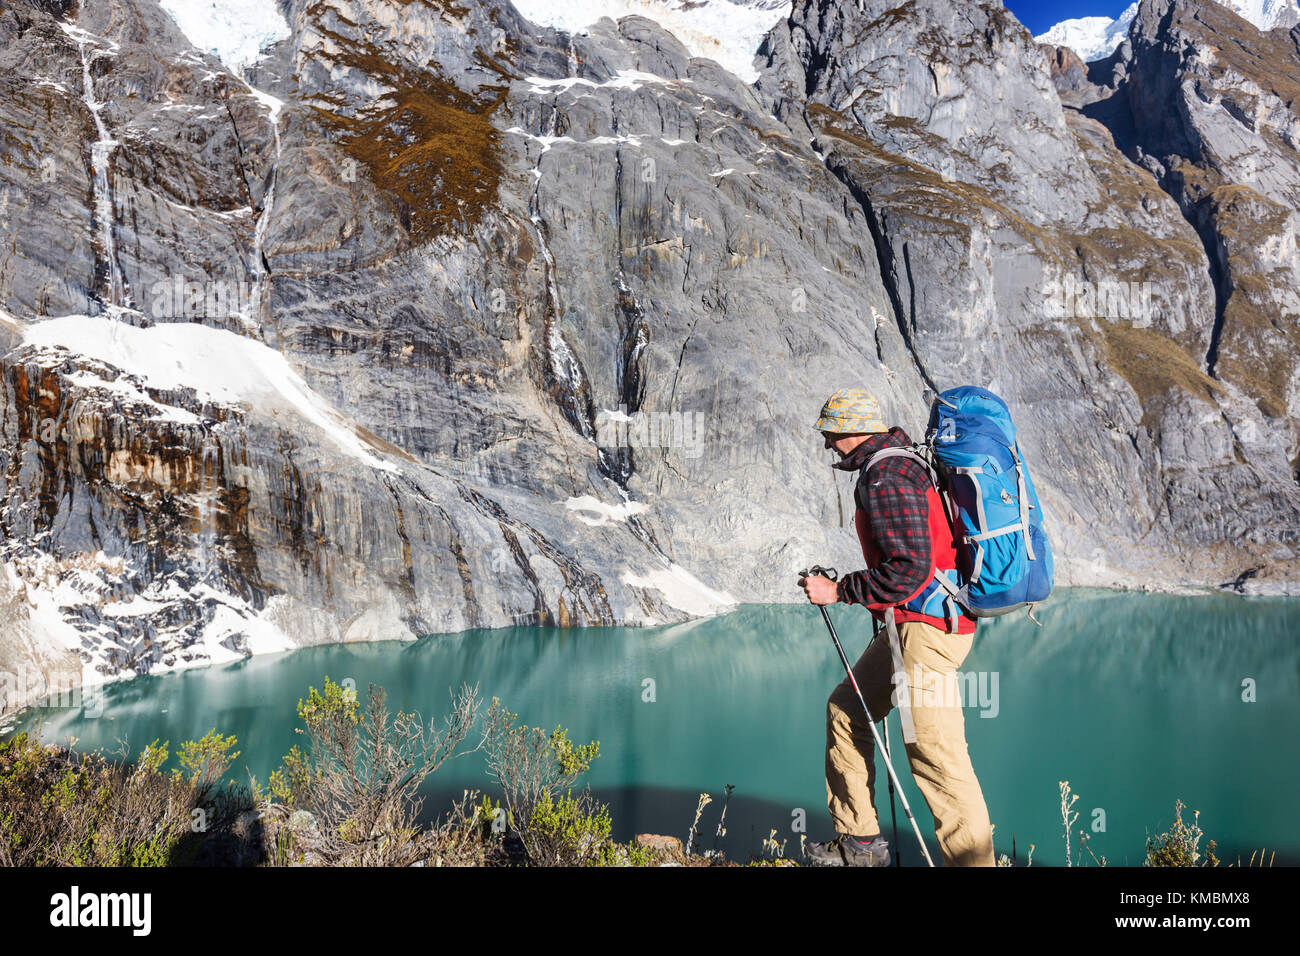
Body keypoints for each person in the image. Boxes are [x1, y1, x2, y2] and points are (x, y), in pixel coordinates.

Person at [800, 387, 995, 867]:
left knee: (937, 759)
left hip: (925, 633)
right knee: (846, 710)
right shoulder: (898, 463)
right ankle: (860, 844)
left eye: (830, 433)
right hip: (910, 626)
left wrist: (839, 590)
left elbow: (908, 569)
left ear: (849, 431)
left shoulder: (887, 475)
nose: (827, 443)